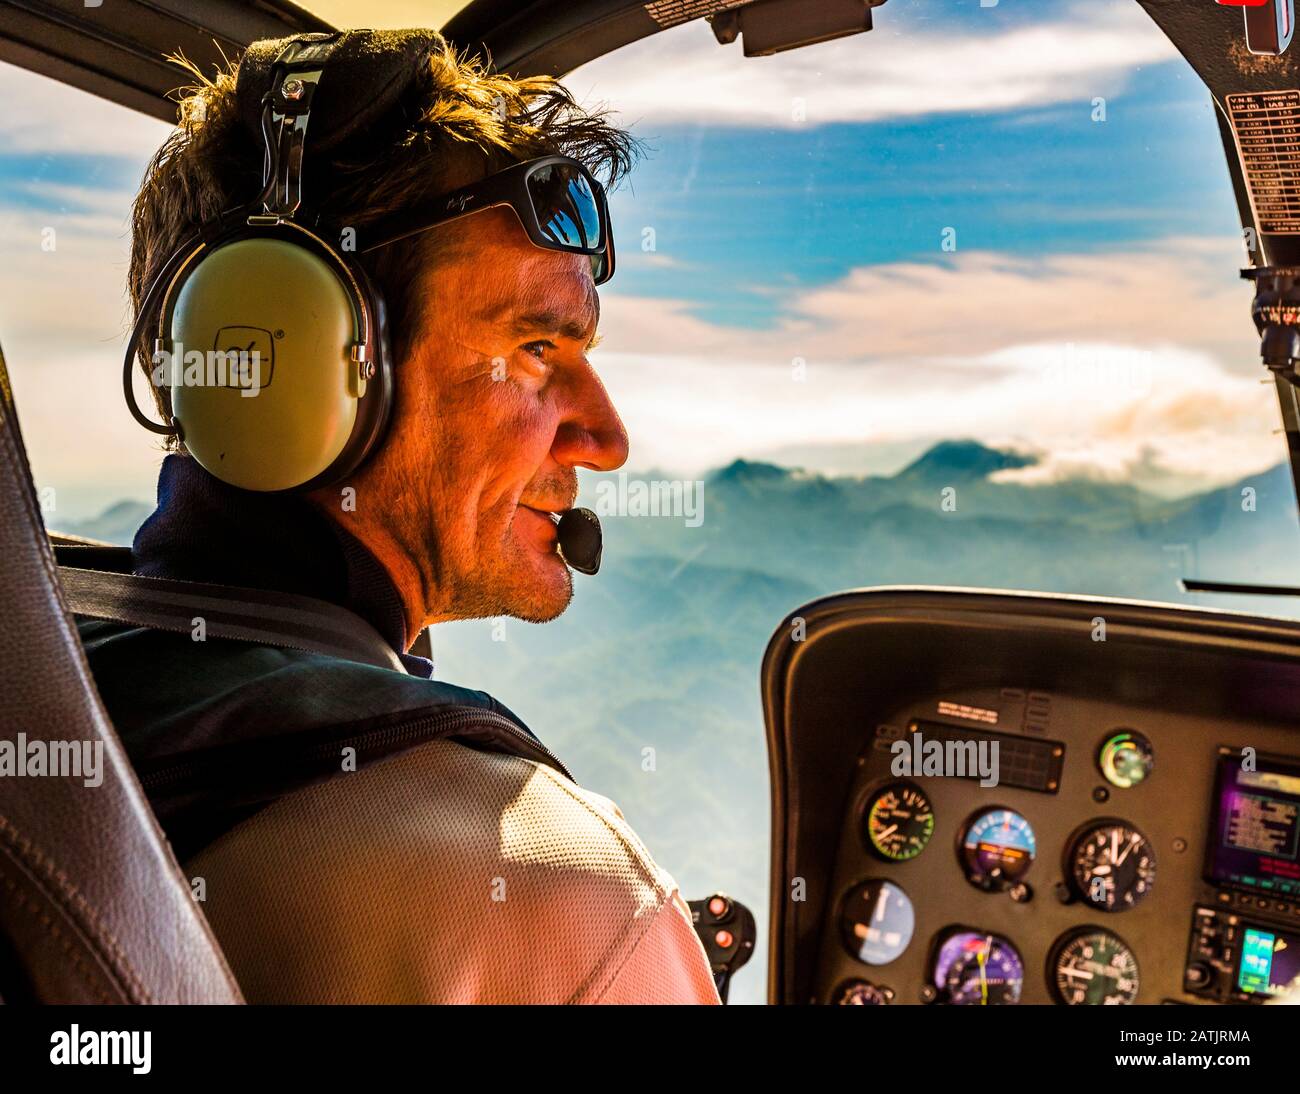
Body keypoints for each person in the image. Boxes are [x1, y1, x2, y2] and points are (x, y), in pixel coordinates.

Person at [79, 29, 720, 1005]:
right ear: (295, 364)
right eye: (537, 349)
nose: (605, 436)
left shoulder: (53, 676)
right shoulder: (560, 901)